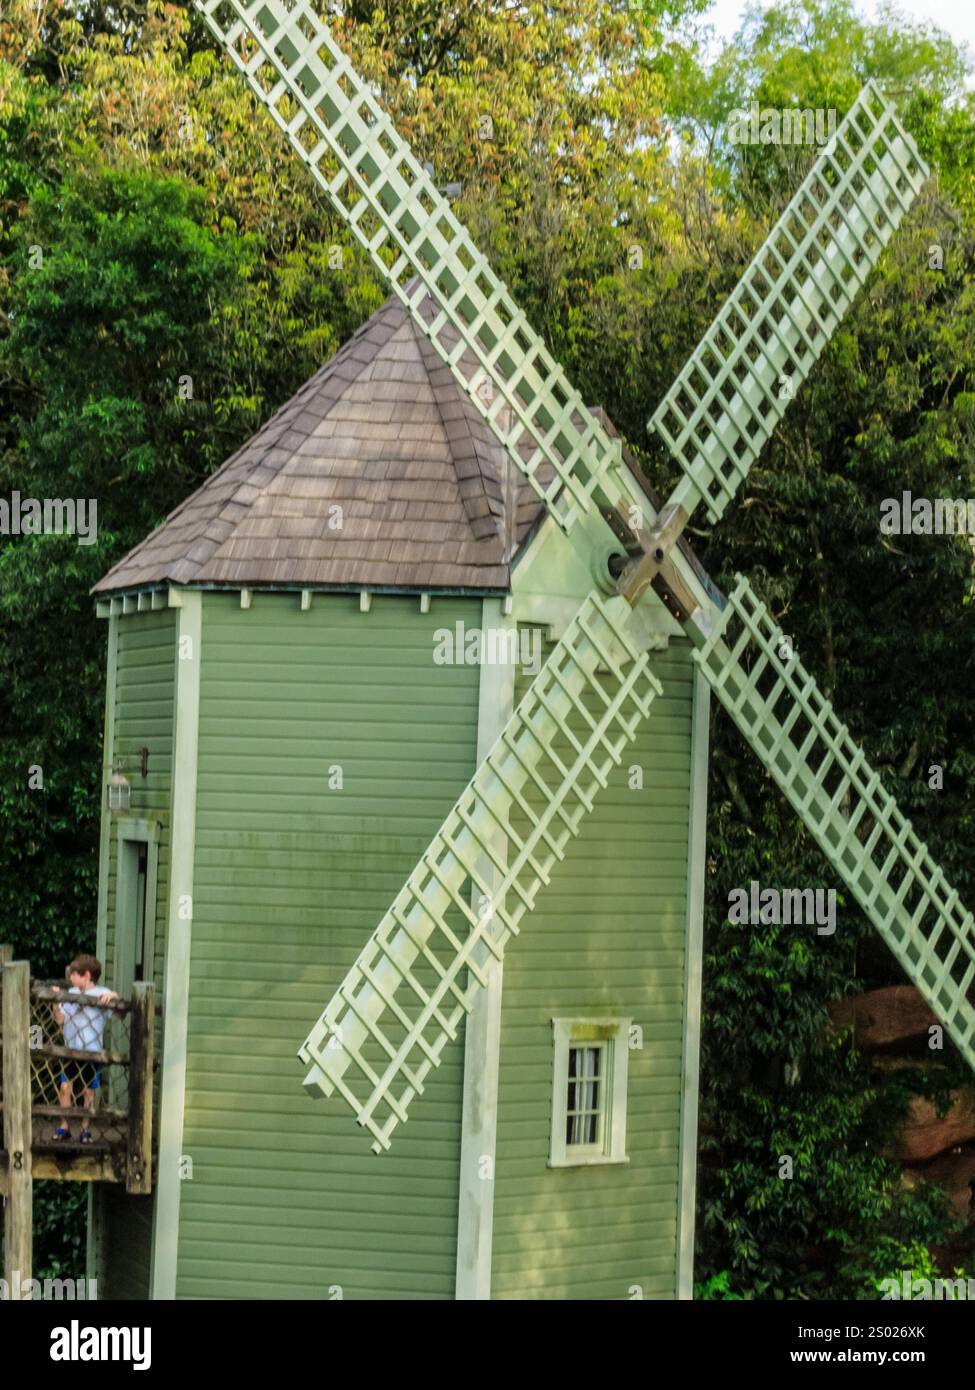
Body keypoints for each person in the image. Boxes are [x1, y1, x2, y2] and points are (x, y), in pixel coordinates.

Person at [51, 954, 118, 1144]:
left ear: (86, 975)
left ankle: (85, 1129)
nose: (70, 978)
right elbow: (60, 1020)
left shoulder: (101, 993)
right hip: (70, 1050)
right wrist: (56, 1002)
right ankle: (64, 1126)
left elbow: (118, 1007)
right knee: (65, 1087)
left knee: (88, 1091)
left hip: (92, 1052)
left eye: (74, 974)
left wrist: (113, 996)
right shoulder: (70, 993)